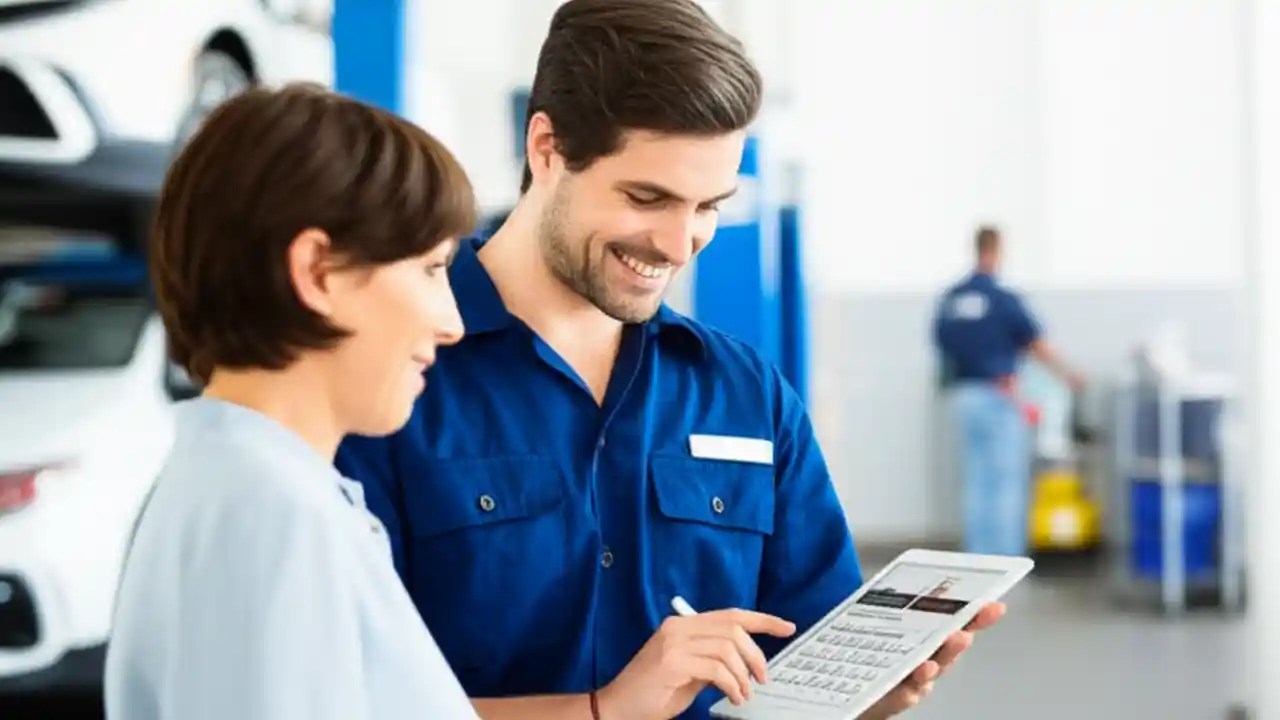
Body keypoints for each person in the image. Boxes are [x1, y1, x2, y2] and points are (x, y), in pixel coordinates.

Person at [337, 1, 1004, 718]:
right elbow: (344, 698)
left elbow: (797, 666)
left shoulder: (746, 394)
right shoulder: (392, 379)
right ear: (546, 148)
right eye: (647, 197)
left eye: (709, 205)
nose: (681, 242)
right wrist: (607, 709)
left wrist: (867, 694)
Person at [105, 84, 482, 719]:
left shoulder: (240, 487)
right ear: (318, 272)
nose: (453, 322)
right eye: (430, 269)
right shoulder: (273, 511)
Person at [933, 225, 1084, 557]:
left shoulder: (953, 298)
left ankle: (977, 554)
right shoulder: (1002, 298)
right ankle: (1004, 559)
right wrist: (1069, 374)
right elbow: (1035, 342)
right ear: (998, 251)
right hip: (998, 395)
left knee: (976, 480)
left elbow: (942, 345)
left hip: (963, 397)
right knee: (1004, 482)